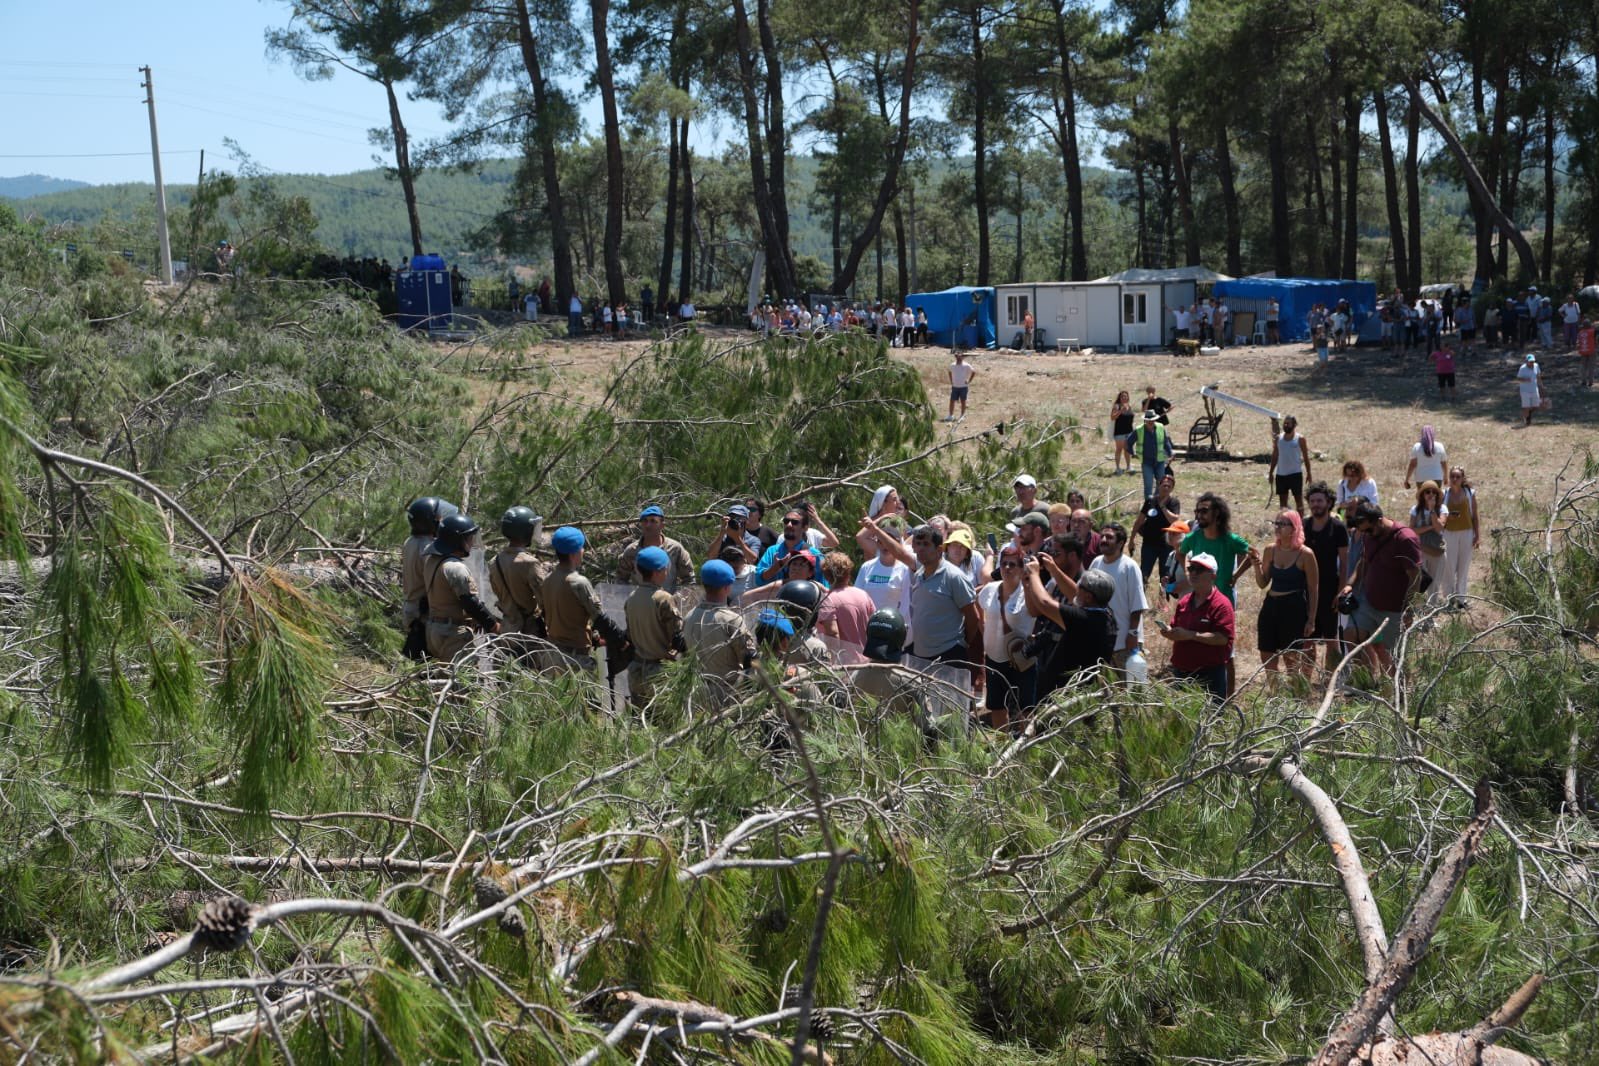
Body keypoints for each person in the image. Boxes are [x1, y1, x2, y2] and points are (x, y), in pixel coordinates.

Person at [1019, 542, 1115, 699]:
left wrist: (1034, 574)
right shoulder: (1105, 614)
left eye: (1080, 587)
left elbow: (1045, 604)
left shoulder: (1082, 619)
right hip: (1084, 692)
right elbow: (1073, 595)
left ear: (1089, 596)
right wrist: (1054, 570)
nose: (1076, 588)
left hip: (1066, 696)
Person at [1339, 500, 1422, 673]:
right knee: (1350, 636)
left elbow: (1416, 577)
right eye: (1363, 531)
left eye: (1368, 529)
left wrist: (1409, 608)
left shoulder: (1405, 539)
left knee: (1395, 658)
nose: (1366, 534)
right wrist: (1349, 585)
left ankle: (1401, 695)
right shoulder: (1369, 536)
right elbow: (1363, 562)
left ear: (1379, 520)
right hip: (1370, 604)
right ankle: (1365, 684)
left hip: (1395, 610)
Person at [907, 525, 985, 696]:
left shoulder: (954, 577)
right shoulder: (919, 575)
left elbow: (973, 617)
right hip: (921, 656)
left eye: (926, 544)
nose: (920, 549)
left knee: (949, 713)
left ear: (939, 549)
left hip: (949, 656)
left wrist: (961, 643)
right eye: (918, 544)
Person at [1156, 552, 1235, 705]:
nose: (1192, 573)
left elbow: (1223, 639)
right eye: (1191, 568)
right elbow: (1176, 628)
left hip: (1209, 675)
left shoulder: (1222, 605)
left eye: (1199, 570)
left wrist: (1191, 635)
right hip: (1181, 671)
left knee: (1210, 722)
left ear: (1212, 576)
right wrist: (1169, 632)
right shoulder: (1184, 601)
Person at [422, 514, 501, 662]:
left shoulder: (432, 561)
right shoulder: (455, 568)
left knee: (443, 679)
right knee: (463, 681)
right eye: (468, 538)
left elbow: (447, 597)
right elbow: (470, 602)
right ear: (457, 540)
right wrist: (493, 625)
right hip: (452, 633)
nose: (471, 542)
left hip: (434, 629)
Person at [1252, 510, 1319, 681]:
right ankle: (1275, 691)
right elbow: (1262, 583)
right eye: (1276, 523)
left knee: (1291, 656)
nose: (1277, 527)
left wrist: (1311, 619)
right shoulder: (1270, 550)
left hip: (1294, 606)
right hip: (1271, 605)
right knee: (1266, 651)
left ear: (1293, 528)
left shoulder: (1306, 554)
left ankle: (1295, 693)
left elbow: (1313, 588)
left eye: (1282, 524)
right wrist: (1255, 565)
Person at [541, 526, 615, 674]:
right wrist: (619, 640)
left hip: (552, 656)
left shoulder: (548, 580)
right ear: (574, 553)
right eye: (581, 548)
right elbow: (599, 617)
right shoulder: (578, 582)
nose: (583, 551)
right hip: (575, 660)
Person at [978, 543, 1035, 727]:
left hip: (1019, 659)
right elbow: (978, 602)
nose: (1007, 568)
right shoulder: (990, 589)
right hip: (994, 658)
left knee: (1024, 710)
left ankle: (1026, 749)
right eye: (1004, 564)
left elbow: (1037, 613)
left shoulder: (1027, 592)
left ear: (1021, 568)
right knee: (996, 706)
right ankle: (1002, 748)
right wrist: (982, 625)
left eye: (1012, 564)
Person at [622, 546, 684, 706]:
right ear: (657, 571)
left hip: (636, 669)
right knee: (665, 724)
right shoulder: (663, 598)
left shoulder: (632, 597)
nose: (667, 571)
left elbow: (629, 633)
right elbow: (677, 635)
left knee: (640, 721)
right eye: (665, 568)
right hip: (658, 672)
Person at [683, 561, 754, 698]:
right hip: (725, 692)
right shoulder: (731, 620)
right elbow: (749, 658)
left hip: (696, 691)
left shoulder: (689, 616)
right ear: (727, 587)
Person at [402, 496, 459, 660]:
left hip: (411, 607)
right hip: (423, 612)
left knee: (422, 663)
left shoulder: (410, 542)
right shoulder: (428, 549)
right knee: (430, 663)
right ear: (430, 522)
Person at [1302, 481, 1350, 671]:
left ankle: (1332, 682)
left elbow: (1345, 562)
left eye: (1319, 501)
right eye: (1312, 501)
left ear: (1329, 502)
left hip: (1330, 589)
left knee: (1332, 640)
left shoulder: (1337, 527)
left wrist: (1341, 592)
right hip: (1306, 590)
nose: (1316, 505)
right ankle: (1304, 683)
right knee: (1307, 640)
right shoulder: (1304, 526)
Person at [1089, 522, 1147, 676]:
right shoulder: (1096, 563)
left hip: (1125, 642)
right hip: (1102, 641)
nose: (1103, 540)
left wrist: (1133, 634)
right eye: (1102, 536)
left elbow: (1137, 605)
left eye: (1109, 537)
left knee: (1128, 689)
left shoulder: (1129, 567)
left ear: (1121, 543)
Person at [489, 506, 547, 656]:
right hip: (529, 633)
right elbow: (545, 599)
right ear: (526, 531)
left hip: (507, 629)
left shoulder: (494, 561)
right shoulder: (529, 563)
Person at [616, 505, 695, 591]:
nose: (648, 525)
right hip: (640, 601)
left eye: (653, 521)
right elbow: (620, 580)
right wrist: (631, 598)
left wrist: (676, 600)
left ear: (662, 525)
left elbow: (689, 579)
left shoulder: (675, 549)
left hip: (667, 601)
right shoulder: (632, 551)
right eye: (645, 521)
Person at [816, 552, 877, 649]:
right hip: (867, 659)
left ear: (826, 576)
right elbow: (874, 626)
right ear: (848, 572)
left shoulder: (826, 601)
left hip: (843, 662)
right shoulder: (863, 595)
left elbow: (833, 634)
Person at [1128, 471, 1181, 581]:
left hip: (1166, 545)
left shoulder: (1174, 502)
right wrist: (1132, 539)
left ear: (1172, 489)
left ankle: (1162, 597)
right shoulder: (1150, 501)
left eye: (1169, 486)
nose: (1166, 488)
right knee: (1143, 573)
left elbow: (1174, 520)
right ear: (1159, 485)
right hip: (1149, 543)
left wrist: (1163, 507)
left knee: (1165, 576)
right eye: (1164, 485)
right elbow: (1139, 521)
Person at [1439, 467, 1479, 610]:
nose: (1454, 479)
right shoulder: (1444, 494)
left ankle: (1461, 599)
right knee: (1449, 566)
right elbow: (1439, 515)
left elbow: (1474, 515)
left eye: (1457, 477)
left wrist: (1477, 535)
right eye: (1452, 477)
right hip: (1449, 533)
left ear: (1462, 479)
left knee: (1464, 566)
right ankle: (1449, 599)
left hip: (1467, 533)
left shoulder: (1470, 493)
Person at [1408, 481, 1449, 607]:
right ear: (1422, 495)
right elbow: (1412, 530)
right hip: (1420, 551)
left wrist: (1432, 511)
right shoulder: (1415, 510)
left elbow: (1439, 528)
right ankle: (1418, 611)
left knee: (1435, 583)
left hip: (1437, 552)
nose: (1430, 494)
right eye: (1427, 492)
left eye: (1433, 492)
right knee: (1419, 582)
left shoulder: (1442, 509)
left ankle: (1431, 614)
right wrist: (1430, 526)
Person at [1269, 415, 1311, 513]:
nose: (1286, 425)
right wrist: (1271, 472)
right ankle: (1285, 525)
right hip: (1281, 475)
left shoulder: (1300, 439)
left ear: (1294, 425)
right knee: (1283, 504)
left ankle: (1300, 525)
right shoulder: (1279, 439)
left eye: (1288, 423)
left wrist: (1309, 473)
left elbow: (1305, 457)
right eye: (1285, 423)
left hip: (1295, 474)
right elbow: (1275, 456)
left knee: (1299, 501)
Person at [1129, 410, 1174, 498]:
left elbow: (1165, 442)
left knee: (1161, 483)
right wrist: (1132, 453)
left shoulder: (1161, 427)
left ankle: (1158, 503)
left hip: (1160, 461)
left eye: (1153, 420)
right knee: (1148, 486)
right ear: (1145, 420)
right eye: (1149, 420)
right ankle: (1148, 506)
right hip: (1146, 462)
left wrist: (1170, 452)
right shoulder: (1139, 430)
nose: (1151, 422)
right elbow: (1129, 442)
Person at [1157, 520, 1190, 606]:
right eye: (1170, 532)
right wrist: (1166, 579)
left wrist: (1169, 588)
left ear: (1184, 535)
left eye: (1175, 533)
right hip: (1182, 601)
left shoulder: (1190, 555)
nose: (1170, 535)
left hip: (1192, 602)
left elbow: (1192, 580)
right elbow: (1173, 576)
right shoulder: (1172, 555)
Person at [1111, 390, 1135, 475]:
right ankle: (1118, 468)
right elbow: (1112, 417)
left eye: (1126, 396)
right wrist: (1120, 411)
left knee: (1127, 449)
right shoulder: (1117, 406)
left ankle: (1128, 466)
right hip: (1120, 432)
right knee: (1119, 449)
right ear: (1119, 398)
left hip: (1129, 431)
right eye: (1122, 396)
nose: (1124, 398)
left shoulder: (1129, 406)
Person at [947, 350, 975, 421]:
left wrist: (969, 381)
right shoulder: (952, 365)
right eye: (956, 356)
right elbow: (949, 372)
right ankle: (950, 415)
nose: (958, 358)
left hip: (963, 387)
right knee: (952, 400)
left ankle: (962, 416)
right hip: (955, 386)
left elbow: (973, 372)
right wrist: (951, 381)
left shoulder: (966, 365)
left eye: (959, 356)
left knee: (963, 401)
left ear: (962, 357)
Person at [1517, 353, 1542, 427]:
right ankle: (1526, 420)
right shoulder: (1522, 368)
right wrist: (1525, 380)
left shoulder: (1536, 366)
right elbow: (1518, 379)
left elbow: (1538, 376)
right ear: (1526, 361)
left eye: (1533, 361)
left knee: (1536, 406)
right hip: (1525, 391)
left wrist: (1541, 385)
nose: (1532, 363)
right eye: (1530, 361)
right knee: (1526, 407)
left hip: (1534, 389)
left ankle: (1528, 414)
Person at [1579, 318, 1597, 388]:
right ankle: (1590, 381)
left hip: (1583, 351)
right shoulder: (1592, 331)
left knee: (1583, 367)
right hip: (1591, 350)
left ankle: (1583, 381)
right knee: (1591, 367)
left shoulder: (1580, 333)